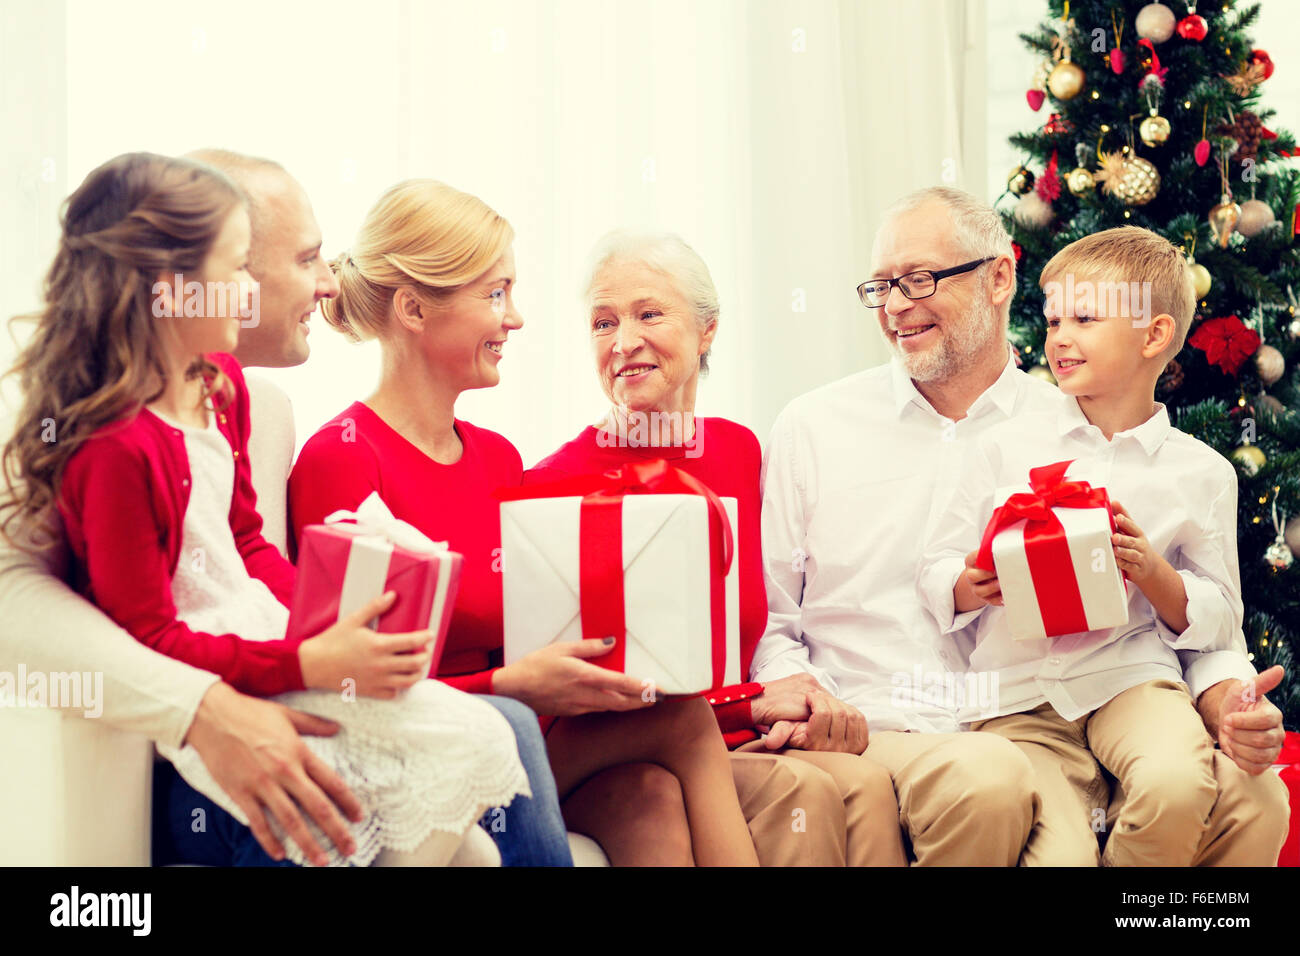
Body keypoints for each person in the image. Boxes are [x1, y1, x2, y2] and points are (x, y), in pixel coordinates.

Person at [1, 153, 530, 867]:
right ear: (175, 291)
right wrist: (302, 658)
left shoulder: (231, 393)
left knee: (482, 799)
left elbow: (249, 543)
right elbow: (146, 625)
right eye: (242, 267)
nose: (329, 283)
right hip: (207, 684)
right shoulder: (110, 446)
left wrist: (320, 621)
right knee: (479, 740)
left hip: (261, 645)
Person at [754, 185, 1291, 865]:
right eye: (881, 286)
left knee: (1257, 796)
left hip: (1093, 706)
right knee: (995, 783)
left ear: (1000, 276)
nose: (894, 307)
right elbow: (772, 627)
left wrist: (1226, 702)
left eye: (919, 280)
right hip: (931, 725)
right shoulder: (815, 426)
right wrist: (796, 692)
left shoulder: (1081, 421)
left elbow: (1197, 613)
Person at [288, 180, 759, 865]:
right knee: (683, 719)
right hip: (430, 747)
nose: (515, 320)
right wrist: (508, 687)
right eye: (496, 295)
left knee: (651, 800)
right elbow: (348, 692)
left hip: (531, 733)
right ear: (416, 309)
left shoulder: (497, 459)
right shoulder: (344, 460)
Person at [525, 230, 905, 866]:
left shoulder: (737, 451)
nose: (623, 342)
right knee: (801, 789)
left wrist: (792, 707)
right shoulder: (551, 486)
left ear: (707, 330)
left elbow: (761, 631)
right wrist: (746, 706)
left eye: (649, 313)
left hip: (731, 734)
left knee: (863, 782)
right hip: (611, 746)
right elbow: (587, 693)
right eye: (602, 321)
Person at [918, 225, 1289, 865]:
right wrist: (965, 584)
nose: (1059, 336)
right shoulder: (1002, 446)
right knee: (1058, 858)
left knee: (1176, 784)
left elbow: (1222, 618)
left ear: (1154, 336)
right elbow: (935, 564)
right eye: (1055, 318)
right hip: (1019, 699)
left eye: (1085, 318)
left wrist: (1154, 575)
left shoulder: (1201, 473)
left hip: (1132, 681)